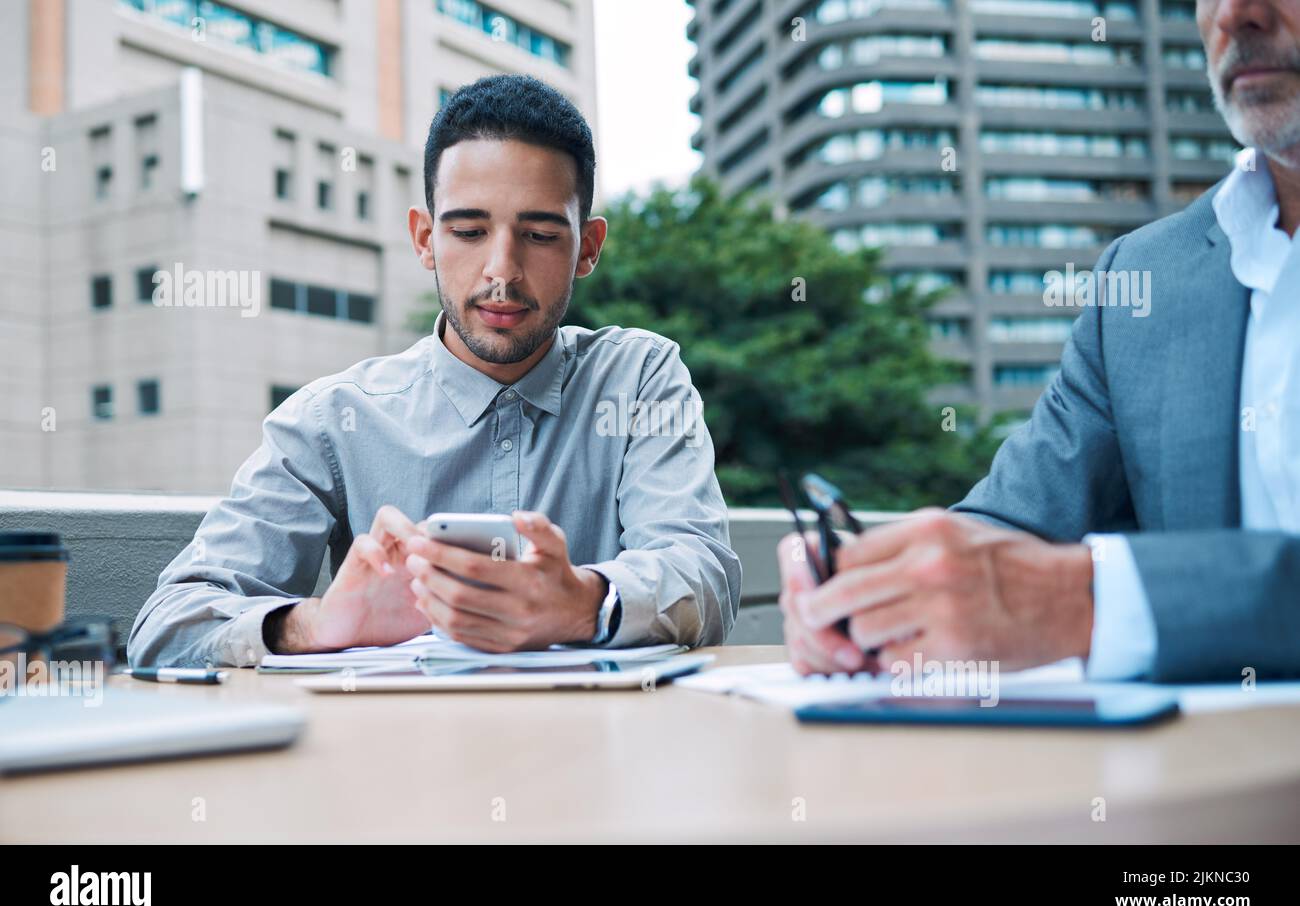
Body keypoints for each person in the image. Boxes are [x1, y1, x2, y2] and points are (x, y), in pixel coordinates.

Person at [129, 75, 740, 667]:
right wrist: (319, 624)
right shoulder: (330, 419)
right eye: (469, 231)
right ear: (424, 239)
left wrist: (585, 603)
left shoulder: (639, 378)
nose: (502, 271)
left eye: (540, 234)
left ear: (587, 247)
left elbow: (702, 572)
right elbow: (167, 621)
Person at [779, 0, 1300, 683]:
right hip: (1197, 780)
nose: (1237, 13)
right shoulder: (1143, 280)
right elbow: (1011, 527)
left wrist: (1084, 601)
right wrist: (878, 589)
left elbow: (1047, 586)